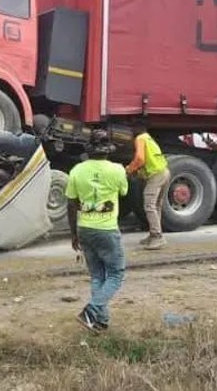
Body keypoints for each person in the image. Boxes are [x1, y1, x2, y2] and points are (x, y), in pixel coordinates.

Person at [66, 129, 128, 331]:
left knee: (97, 276)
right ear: (108, 150)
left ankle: (100, 322)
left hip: (84, 228)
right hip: (107, 229)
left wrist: (74, 234)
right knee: (116, 274)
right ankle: (91, 311)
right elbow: (124, 191)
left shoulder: (76, 171)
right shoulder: (117, 170)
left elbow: (71, 204)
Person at [125, 121, 170, 250]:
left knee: (149, 206)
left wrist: (129, 169)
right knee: (156, 206)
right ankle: (154, 234)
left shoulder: (140, 138)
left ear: (135, 130)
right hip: (164, 172)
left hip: (155, 175)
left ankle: (157, 237)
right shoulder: (149, 138)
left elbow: (140, 159)